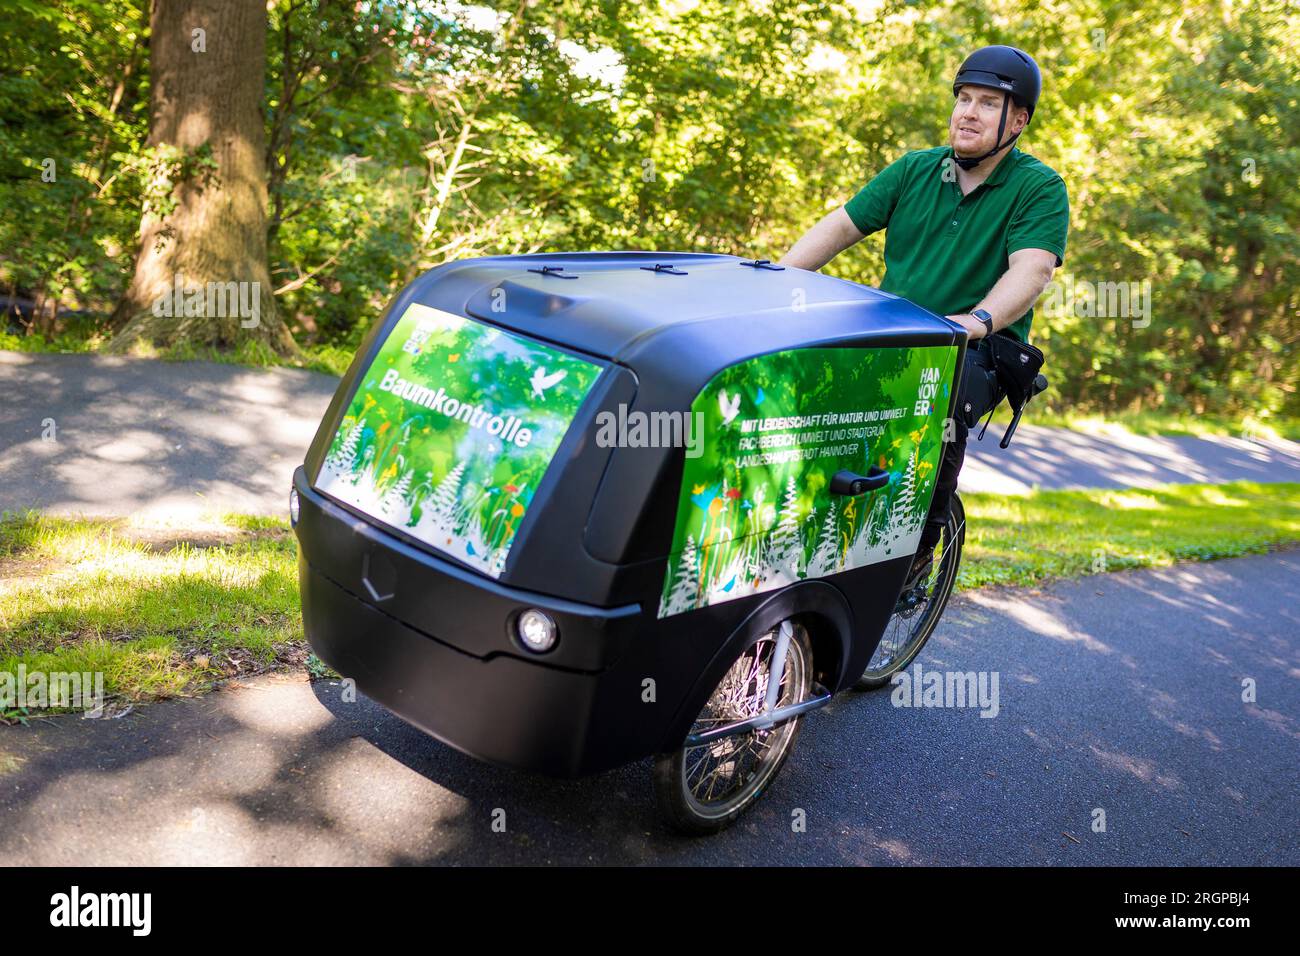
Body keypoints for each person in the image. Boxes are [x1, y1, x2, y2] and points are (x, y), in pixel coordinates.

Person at [778, 44, 1069, 585]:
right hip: (895, 333)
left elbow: (1033, 270)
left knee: (943, 394)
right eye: (963, 99)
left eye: (988, 103)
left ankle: (917, 550)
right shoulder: (915, 169)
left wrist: (976, 322)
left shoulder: (1039, 187)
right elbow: (840, 227)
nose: (968, 113)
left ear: (1018, 121)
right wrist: (777, 281)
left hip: (976, 346)